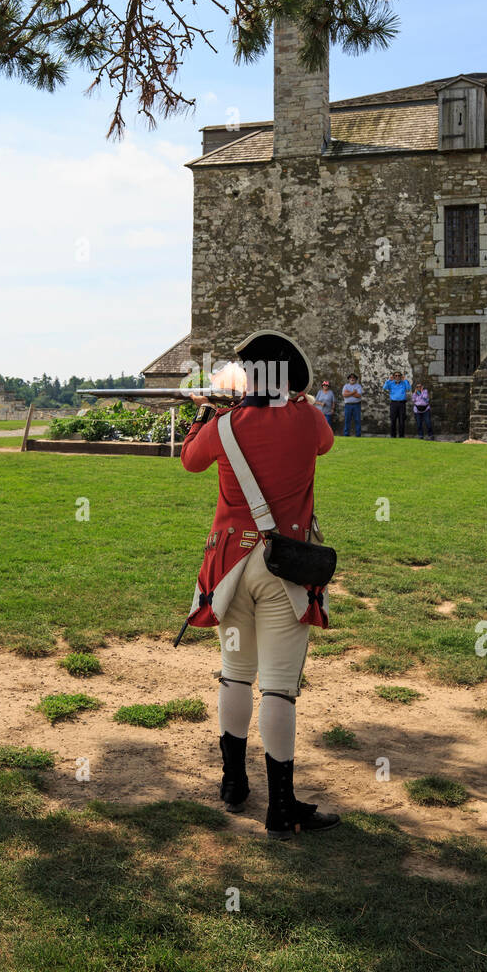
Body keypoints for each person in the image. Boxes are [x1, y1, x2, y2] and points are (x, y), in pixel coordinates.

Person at [180, 328, 340, 840]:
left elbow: (189, 459)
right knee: (278, 687)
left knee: (234, 674)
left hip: (228, 568)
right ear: (290, 379)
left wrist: (209, 410)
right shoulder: (309, 418)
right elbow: (326, 442)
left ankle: (232, 783)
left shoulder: (225, 424)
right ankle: (283, 807)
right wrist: (296, 400)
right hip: (284, 569)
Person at [382, 370, 411, 437]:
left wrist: (405, 380)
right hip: (393, 404)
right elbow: (384, 388)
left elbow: (408, 388)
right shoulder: (391, 383)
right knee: (393, 420)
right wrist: (389, 380)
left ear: (401, 377)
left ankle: (401, 435)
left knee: (402, 420)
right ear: (394, 377)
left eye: (399, 375)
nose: (397, 377)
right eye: (396, 376)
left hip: (402, 404)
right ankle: (393, 435)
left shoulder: (404, 383)